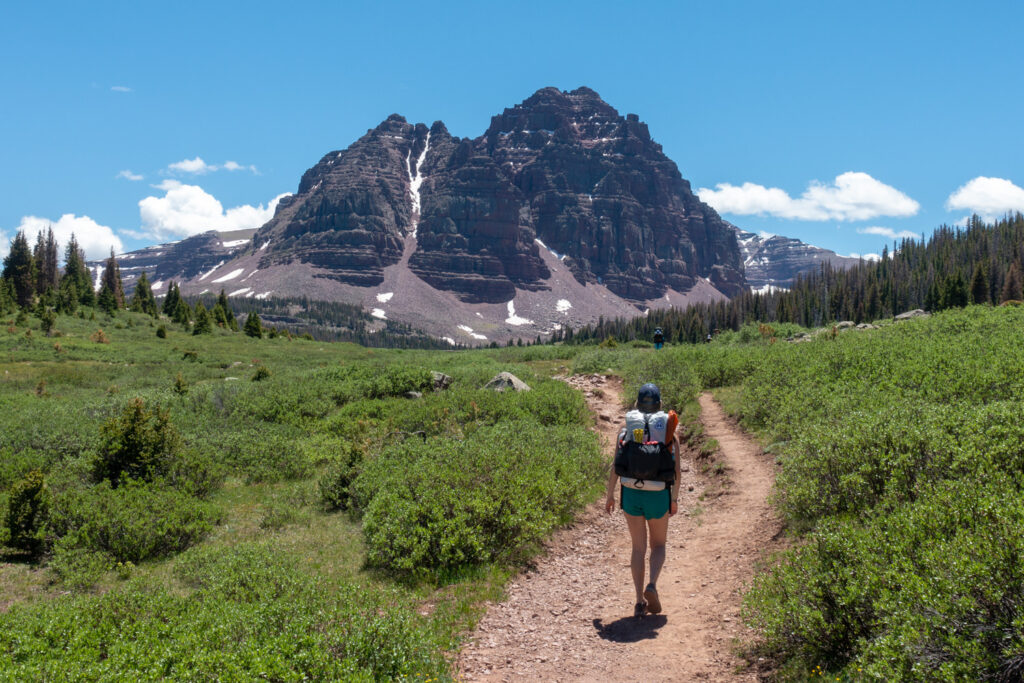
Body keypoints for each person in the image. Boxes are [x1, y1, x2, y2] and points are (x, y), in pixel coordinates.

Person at [605, 383, 681, 617]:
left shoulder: (625, 428)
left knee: (638, 548)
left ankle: (639, 600)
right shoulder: (669, 431)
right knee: (658, 545)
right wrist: (674, 499)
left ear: (637, 404)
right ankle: (652, 585)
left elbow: (615, 465)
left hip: (631, 492)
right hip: (658, 494)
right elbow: (677, 471)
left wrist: (610, 495)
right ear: (659, 404)